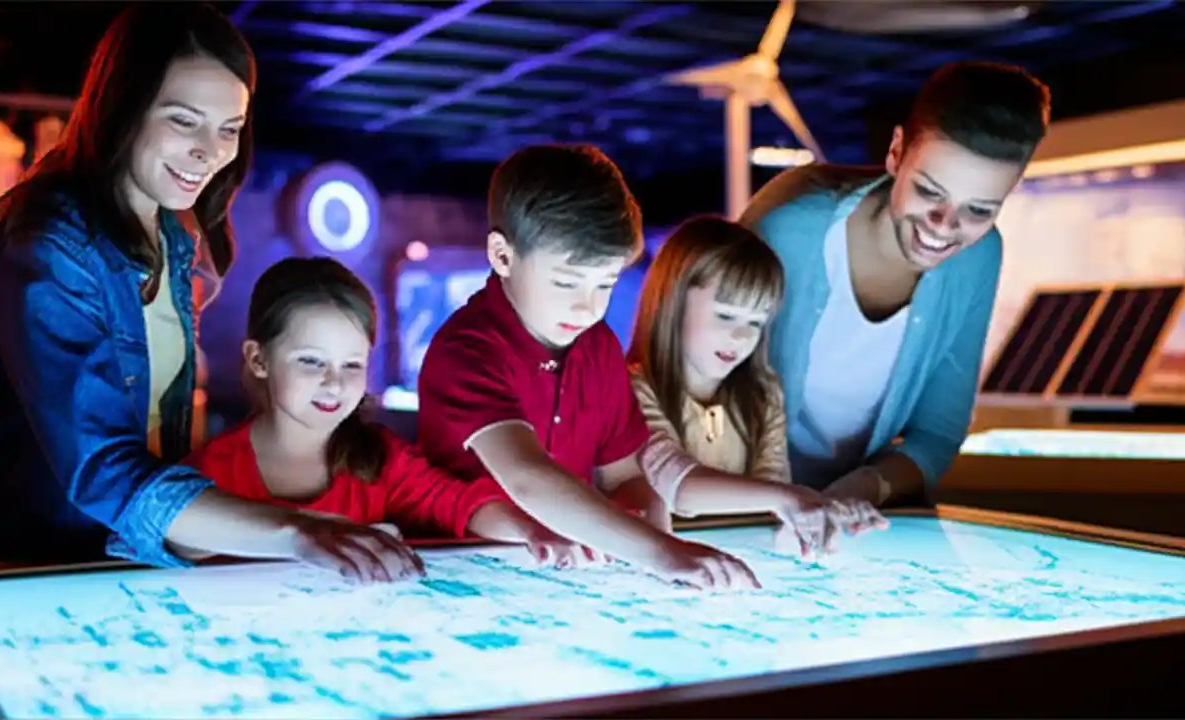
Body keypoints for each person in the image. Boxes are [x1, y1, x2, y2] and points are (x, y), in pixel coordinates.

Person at [0, 3, 419, 583]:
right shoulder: (50, 238)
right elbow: (100, 466)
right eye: (183, 121)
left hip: (114, 559)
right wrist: (296, 530)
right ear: (123, 109)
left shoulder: (174, 234)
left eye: (230, 130)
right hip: (29, 566)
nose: (210, 152)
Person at [417, 144, 760, 590]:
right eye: (566, 282)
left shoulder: (597, 345)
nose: (588, 306)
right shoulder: (466, 351)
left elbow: (629, 476)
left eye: (606, 283)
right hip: (464, 576)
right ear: (503, 256)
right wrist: (662, 554)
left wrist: (656, 540)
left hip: (571, 578)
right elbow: (528, 478)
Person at [740, 60, 1051, 508]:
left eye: (979, 210)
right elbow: (684, 380)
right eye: (929, 192)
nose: (944, 227)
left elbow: (938, 433)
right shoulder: (789, 226)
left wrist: (867, 488)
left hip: (855, 518)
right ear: (896, 152)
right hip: (737, 500)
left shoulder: (979, 257)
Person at [185, 258, 525, 554]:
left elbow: (464, 505)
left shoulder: (382, 459)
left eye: (351, 365)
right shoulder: (208, 474)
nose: (334, 383)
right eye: (311, 362)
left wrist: (532, 533)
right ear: (258, 359)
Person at [627, 215, 888, 556]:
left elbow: (772, 497)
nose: (742, 336)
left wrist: (822, 513)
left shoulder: (763, 393)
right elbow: (678, 486)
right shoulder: (630, 390)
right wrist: (794, 499)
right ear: (672, 302)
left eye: (756, 321)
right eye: (725, 315)